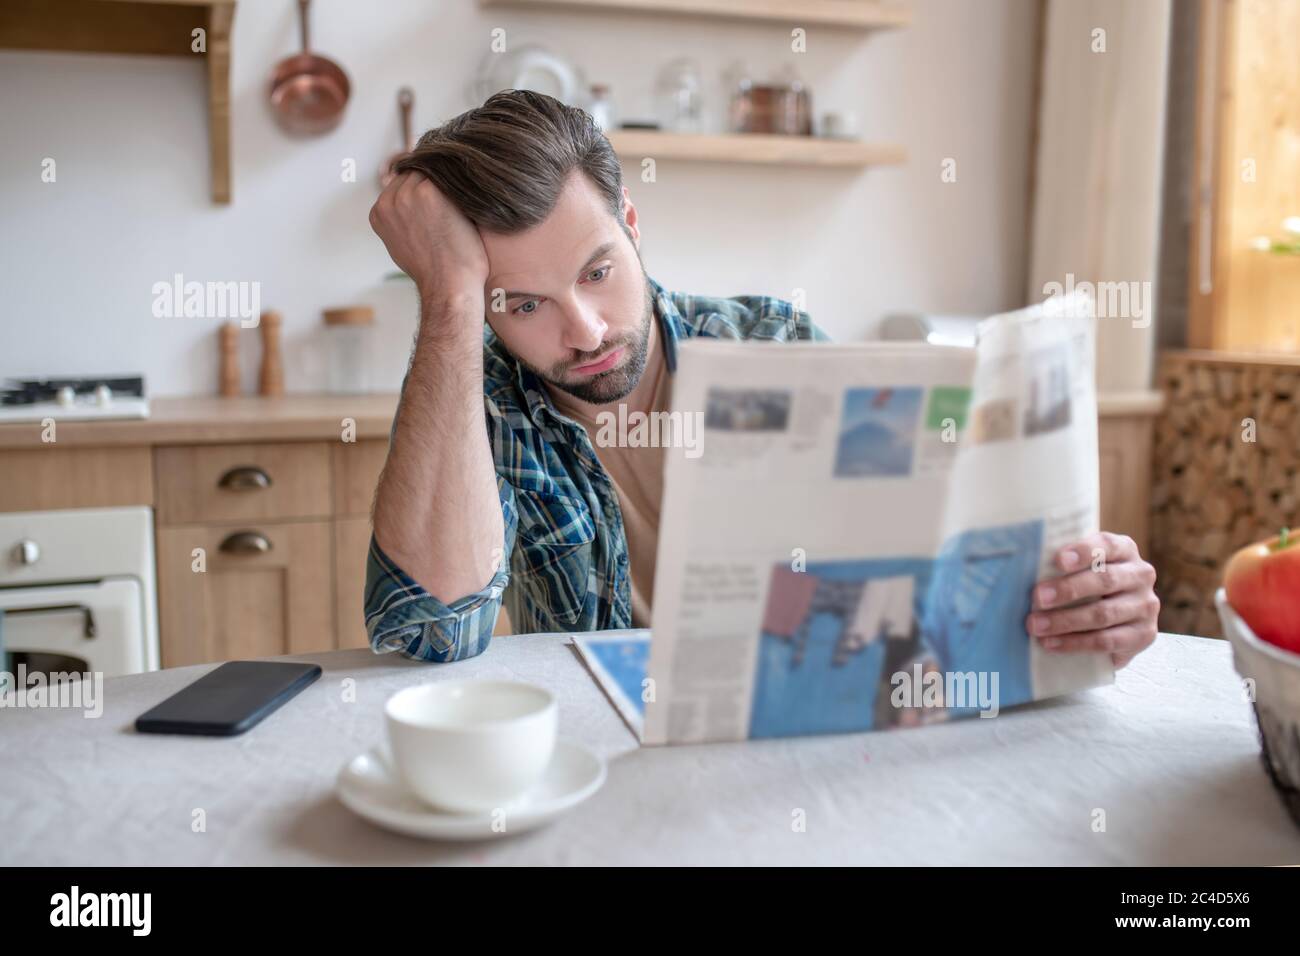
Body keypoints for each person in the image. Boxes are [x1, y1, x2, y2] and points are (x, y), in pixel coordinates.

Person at [364, 89, 1159, 671]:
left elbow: (920, 568)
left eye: (598, 271)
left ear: (632, 226)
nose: (586, 330)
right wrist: (449, 298)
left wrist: (1080, 598)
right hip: (597, 769)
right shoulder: (478, 401)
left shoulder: (773, 342)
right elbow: (435, 632)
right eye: (523, 303)